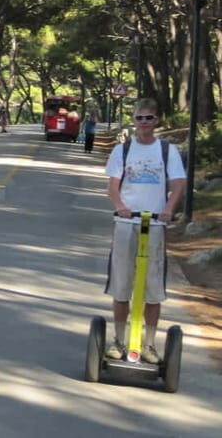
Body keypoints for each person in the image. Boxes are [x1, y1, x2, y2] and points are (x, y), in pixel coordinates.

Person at [103, 98, 186, 363]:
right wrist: (121, 207)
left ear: (156, 120)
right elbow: (113, 186)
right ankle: (118, 340)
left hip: (156, 224)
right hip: (126, 223)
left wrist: (169, 209)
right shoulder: (123, 150)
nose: (144, 123)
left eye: (149, 118)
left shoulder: (167, 150)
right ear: (134, 120)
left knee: (152, 287)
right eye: (139, 118)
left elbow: (178, 183)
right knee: (121, 283)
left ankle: (148, 344)